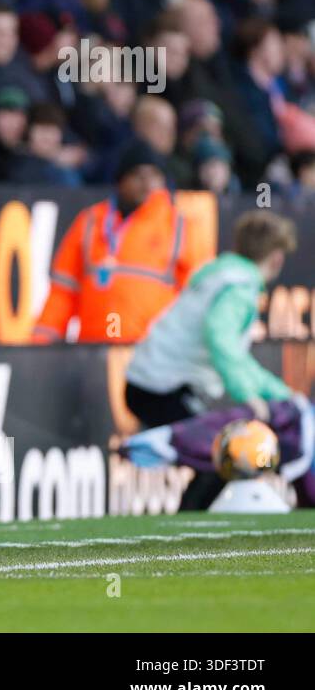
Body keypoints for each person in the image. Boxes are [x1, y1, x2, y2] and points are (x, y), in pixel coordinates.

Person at [123, 212, 299, 508]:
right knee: (223, 455)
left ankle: (167, 467)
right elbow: (221, 340)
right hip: (160, 388)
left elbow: (236, 356)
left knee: (219, 454)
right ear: (277, 258)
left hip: (151, 383)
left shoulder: (222, 274)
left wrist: (280, 393)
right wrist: (250, 396)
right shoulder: (239, 287)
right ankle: (184, 534)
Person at [32, 139, 211, 344]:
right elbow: (62, 292)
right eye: (138, 175)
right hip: (95, 350)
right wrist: (40, 342)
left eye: (154, 176)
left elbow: (199, 296)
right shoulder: (91, 221)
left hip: (151, 355)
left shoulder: (180, 226)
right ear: (121, 180)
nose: (146, 184)